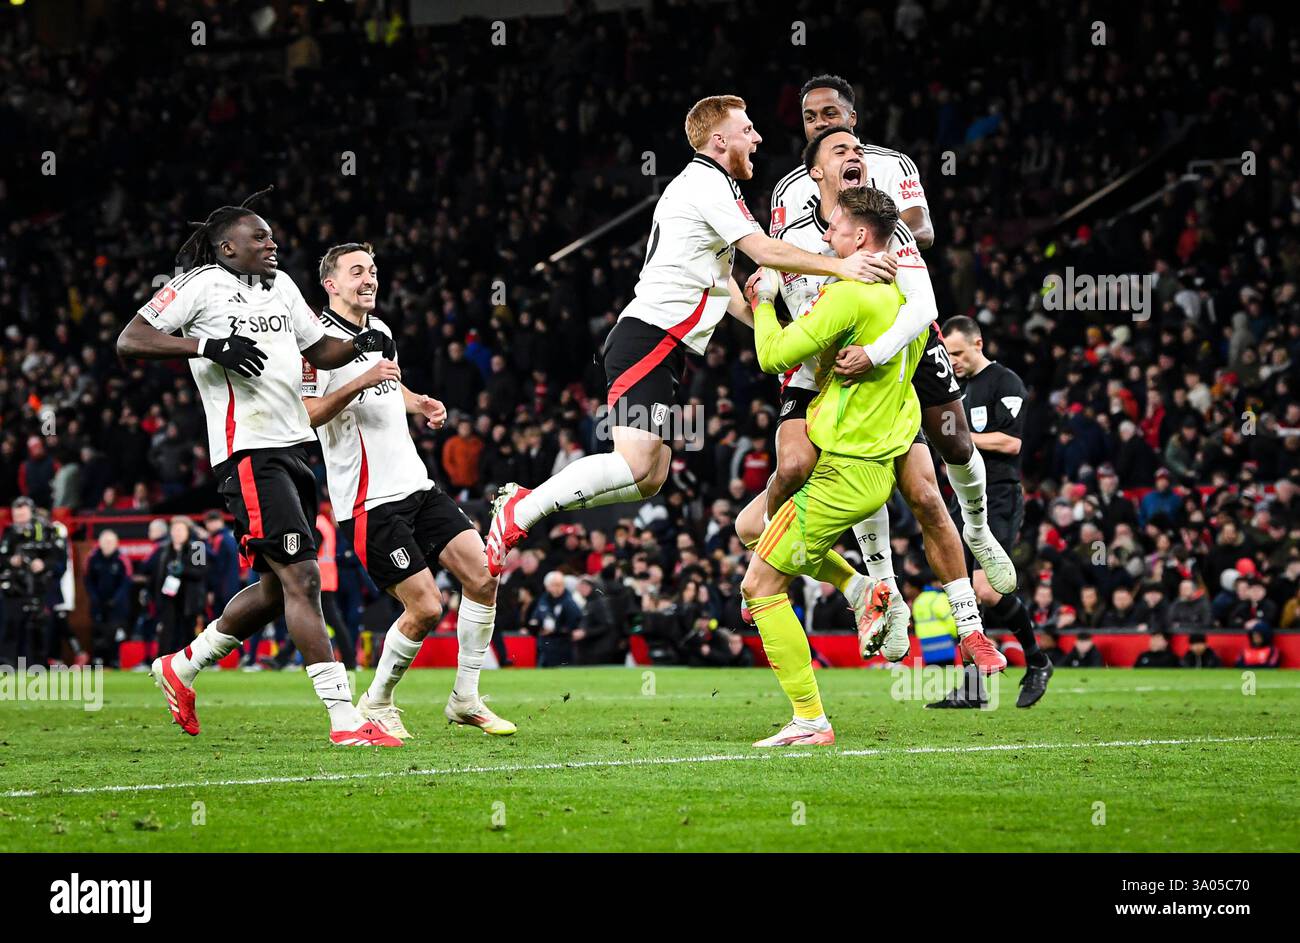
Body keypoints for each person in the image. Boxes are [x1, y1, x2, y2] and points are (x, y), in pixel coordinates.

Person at [485, 94, 893, 574]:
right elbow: (762, 250)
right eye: (747, 130)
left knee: (651, 476)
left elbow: (725, 288)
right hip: (647, 336)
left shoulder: (710, 187)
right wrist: (842, 266)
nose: (758, 138)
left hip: (663, 345)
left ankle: (527, 503)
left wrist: (782, 331)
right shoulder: (705, 184)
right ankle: (522, 511)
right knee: (635, 463)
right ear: (720, 141)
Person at [116, 188, 400, 746]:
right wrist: (207, 346)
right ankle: (345, 720)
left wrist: (359, 343)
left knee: (275, 591)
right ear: (226, 247)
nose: (272, 243)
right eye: (259, 236)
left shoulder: (283, 285)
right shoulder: (200, 284)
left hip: (296, 448)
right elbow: (131, 339)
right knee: (304, 579)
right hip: (247, 452)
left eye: (271, 235)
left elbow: (319, 351)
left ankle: (182, 666)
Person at [737, 124, 1006, 669]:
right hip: (822, 370)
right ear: (814, 172)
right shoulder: (792, 224)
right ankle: (878, 595)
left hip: (892, 357)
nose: (852, 152)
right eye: (835, 146)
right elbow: (766, 299)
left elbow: (923, 306)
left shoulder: (884, 231)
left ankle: (973, 555)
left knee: (936, 479)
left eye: (853, 144)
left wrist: (874, 352)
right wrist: (752, 303)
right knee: (794, 465)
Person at [736, 187, 935, 747]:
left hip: (843, 471)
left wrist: (764, 301)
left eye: (837, 230)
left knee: (760, 586)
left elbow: (773, 356)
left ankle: (810, 719)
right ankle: (862, 590)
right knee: (749, 527)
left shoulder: (849, 295)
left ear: (862, 239)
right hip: (867, 466)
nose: (827, 237)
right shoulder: (903, 297)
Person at [301, 243, 514, 737]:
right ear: (331, 284)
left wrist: (419, 402)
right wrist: (360, 380)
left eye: (372, 270)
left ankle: (465, 697)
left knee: (483, 577)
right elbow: (307, 414)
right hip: (368, 502)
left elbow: (389, 384)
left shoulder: (381, 332)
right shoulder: (313, 342)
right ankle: (376, 702)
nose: (369, 278)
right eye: (357, 272)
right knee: (425, 607)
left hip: (417, 486)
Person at [928, 317, 1052, 708]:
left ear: (979, 344)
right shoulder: (954, 388)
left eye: (959, 354)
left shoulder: (1005, 383)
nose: (954, 361)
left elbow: (1011, 443)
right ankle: (972, 687)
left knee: (986, 589)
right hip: (961, 498)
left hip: (998, 495)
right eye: (948, 355)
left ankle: (1038, 660)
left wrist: (958, 440)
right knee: (962, 591)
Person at [151, 516, 208, 655]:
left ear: (188, 531)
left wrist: (183, 570)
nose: (178, 533)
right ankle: (163, 661)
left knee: (188, 630)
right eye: (175, 530)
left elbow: (201, 573)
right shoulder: (163, 549)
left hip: (190, 597)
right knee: (167, 630)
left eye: (181, 530)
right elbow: (156, 574)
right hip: (168, 597)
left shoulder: (197, 547)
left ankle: (190, 662)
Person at [84, 528, 133, 666]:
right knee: (98, 631)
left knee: (115, 632)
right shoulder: (92, 558)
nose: (108, 544)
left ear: (116, 543)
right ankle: (98, 660)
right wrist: (94, 597)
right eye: (105, 541)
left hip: (117, 606)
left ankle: (115, 660)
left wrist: (115, 600)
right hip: (98, 604)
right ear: (99, 542)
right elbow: (88, 580)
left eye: (111, 541)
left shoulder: (121, 559)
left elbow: (126, 582)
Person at [527, 572, 582, 667]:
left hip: (562, 647)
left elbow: (575, 624)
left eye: (560, 585)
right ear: (547, 586)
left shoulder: (569, 603)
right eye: (554, 585)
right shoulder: (542, 600)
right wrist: (535, 626)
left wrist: (556, 630)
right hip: (544, 645)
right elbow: (535, 617)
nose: (557, 588)